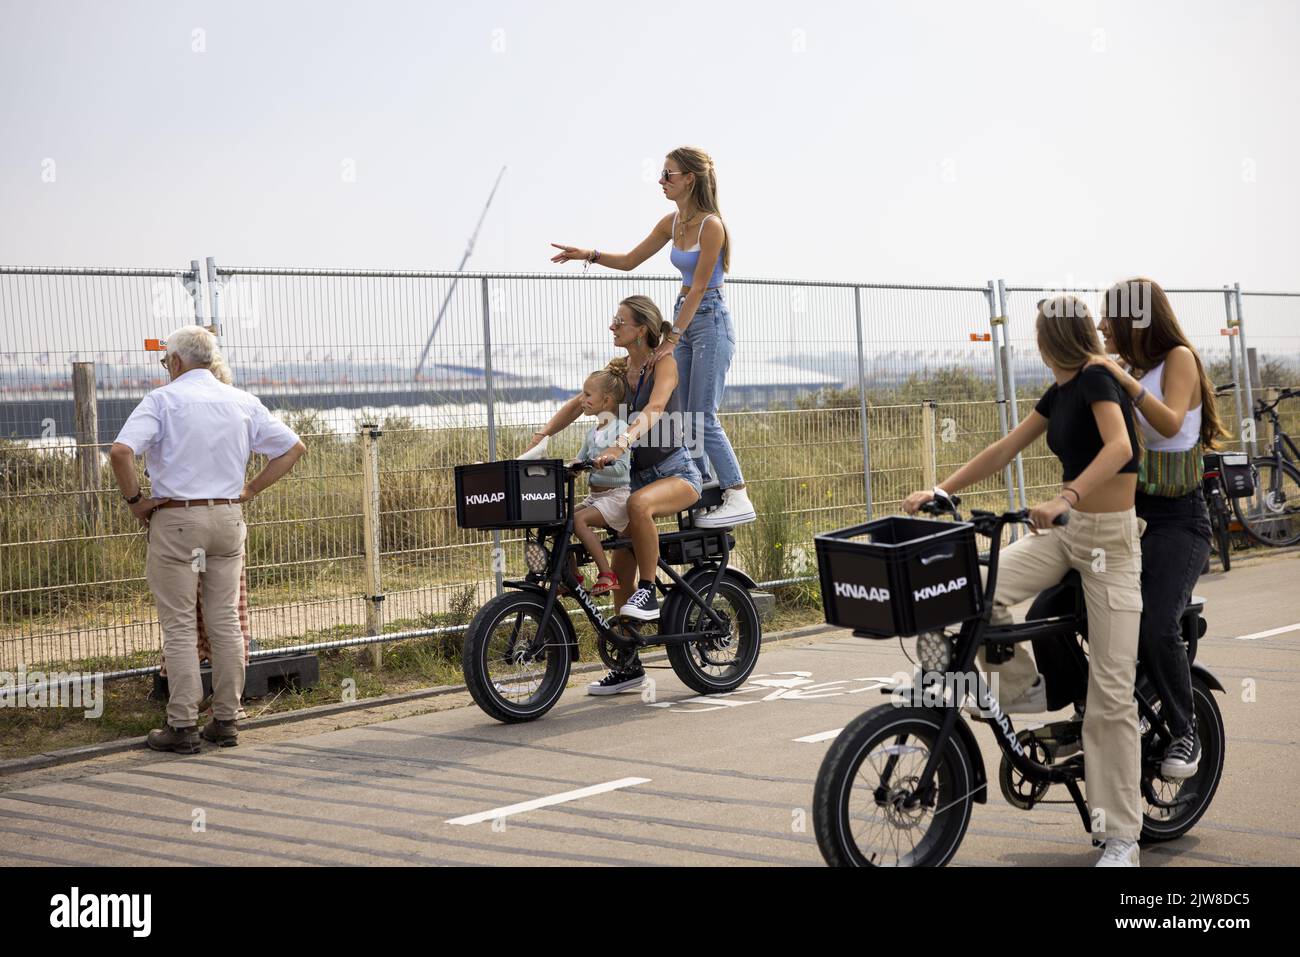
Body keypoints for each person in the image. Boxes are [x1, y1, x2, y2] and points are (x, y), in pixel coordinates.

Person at [903, 295, 1145, 867]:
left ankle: (1121, 838)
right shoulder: (1061, 390)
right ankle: (1020, 690)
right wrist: (945, 489)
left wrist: (1065, 495)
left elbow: (1121, 447)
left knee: (1110, 696)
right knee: (969, 593)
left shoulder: (1095, 379)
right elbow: (1006, 447)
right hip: (1066, 533)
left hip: (1110, 540)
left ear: (1047, 338)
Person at [110, 325, 306, 753]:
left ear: (176, 362)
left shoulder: (162, 401)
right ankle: (227, 720)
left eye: (166, 362)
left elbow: (121, 452)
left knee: (179, 624)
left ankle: (182, 727)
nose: (166, 369)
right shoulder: (240, 401)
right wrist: (251, 489)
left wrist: (135, 501)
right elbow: (293, 448)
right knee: (225, 622)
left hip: (178, 521)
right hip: (227, 518)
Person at [549, 145, 755, 528]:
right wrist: (588, 254)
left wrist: (672, 340)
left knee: (703, 415)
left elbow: (698, 288)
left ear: (689, 179)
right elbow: (629, 261)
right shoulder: (671, 222)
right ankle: (703, 487)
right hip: (684, 318)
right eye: (661, 174)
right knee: (688, 415)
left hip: (708, 319)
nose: (661, 181)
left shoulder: (712, 226)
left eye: (668, 175)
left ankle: (737, 493)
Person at [523, 296, 701, 695]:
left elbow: (655, 409)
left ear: (641, 329)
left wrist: (621, 442)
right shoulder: (619, 369)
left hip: (677, 471)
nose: (612, 327)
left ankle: (649, 589)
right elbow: (579, 402)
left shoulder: (664, 363)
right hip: (636, 479)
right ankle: (630, 666)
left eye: (619, 321)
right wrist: (542, 435)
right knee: (618, 575)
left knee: (640, 506)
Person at [1092, 278, 1227, 780]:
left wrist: (1119, 380)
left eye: (1109, 316)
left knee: (1155, 624)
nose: (1102, 325)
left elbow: (1169, 423)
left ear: (1136, 319)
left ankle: (1184, 728)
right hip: (1128, 515)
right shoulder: (1127, 368)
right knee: (1061, 607)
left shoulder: (1178, 359)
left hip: (1179, 520)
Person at [570, 364, 632, 595]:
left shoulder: (622, 428)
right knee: (560, 520)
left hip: (616, 498)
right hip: (595, 497)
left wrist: (601, 464)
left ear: (606, 402)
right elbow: (579, 460)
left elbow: (622, 470)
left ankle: (607, 574)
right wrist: (571, 468)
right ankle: (572, 575)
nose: (582, 400)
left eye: (587, 395)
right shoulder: (592, 433)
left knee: (578, 522)